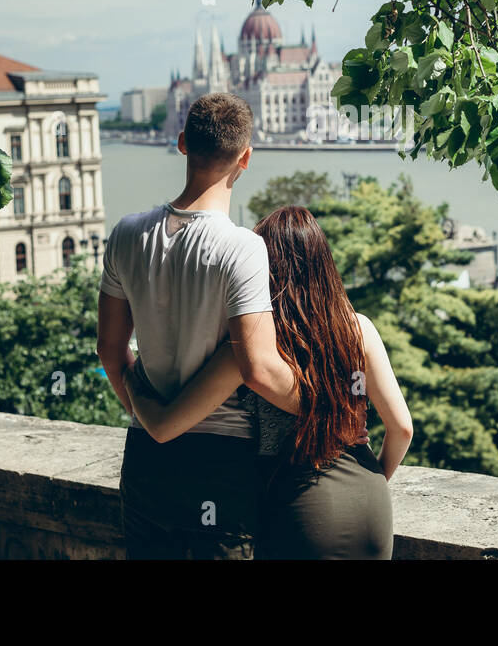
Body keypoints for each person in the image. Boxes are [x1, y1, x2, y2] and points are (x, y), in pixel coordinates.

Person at [128, 205, 413, 559]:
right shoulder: (359, 328)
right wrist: (370, 480)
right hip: (371, 503)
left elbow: (164, 426)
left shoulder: (253, 347)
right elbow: (401, 428)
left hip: (301, 505)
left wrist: (132, 380)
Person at [96, 92, 299, 559]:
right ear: (245, 158)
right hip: (220, 462)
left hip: (145, 459)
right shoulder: (242, 248)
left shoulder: (126, 233)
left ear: (183, 142)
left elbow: (111, 350)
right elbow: (259, 368)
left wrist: (150, 415)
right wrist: (324, 403)